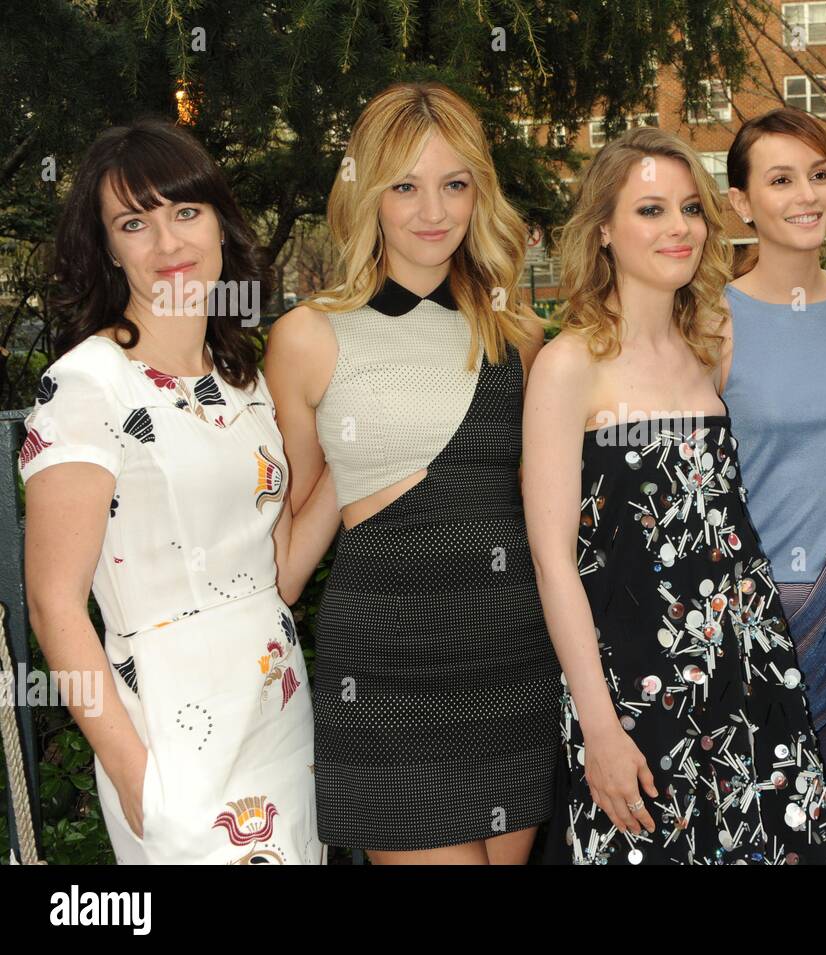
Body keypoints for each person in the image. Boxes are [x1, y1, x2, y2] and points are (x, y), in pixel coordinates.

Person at [525, 126, 826, 865]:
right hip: (631, 684)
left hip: (747, 668)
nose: (678, 228)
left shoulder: (713, 344)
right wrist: (599, 727)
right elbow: (553, 561)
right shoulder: (569, 364)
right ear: (602, 228)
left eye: (691, 208)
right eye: (650, 210)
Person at [265, 81, 561, 864]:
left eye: (454, 184)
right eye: (405, 185)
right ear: (368, 194)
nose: (433, 210)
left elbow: (548, 510)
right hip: (388, 678)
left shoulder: (522, 337)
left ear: (479, 194)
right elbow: (288, 544)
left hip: (513, 667)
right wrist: (350, 454)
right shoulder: (307, 337)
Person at [21, 118, 328, 864]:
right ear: (109, 249)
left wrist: (360, 455)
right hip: (170, 728)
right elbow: (52, 603)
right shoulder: (86, 384)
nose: (168, 244)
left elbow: (278, 573)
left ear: (220, 224)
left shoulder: (242, 382)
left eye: (185, 212)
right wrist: (135, 777)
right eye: (135, 222)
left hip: (279, 711)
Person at [718, 107, 826, 862]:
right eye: (781, 179)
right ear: (742, 203)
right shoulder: (711, 323)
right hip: (753, 621)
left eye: (819, 175)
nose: (807, 194)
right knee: (761, 833)